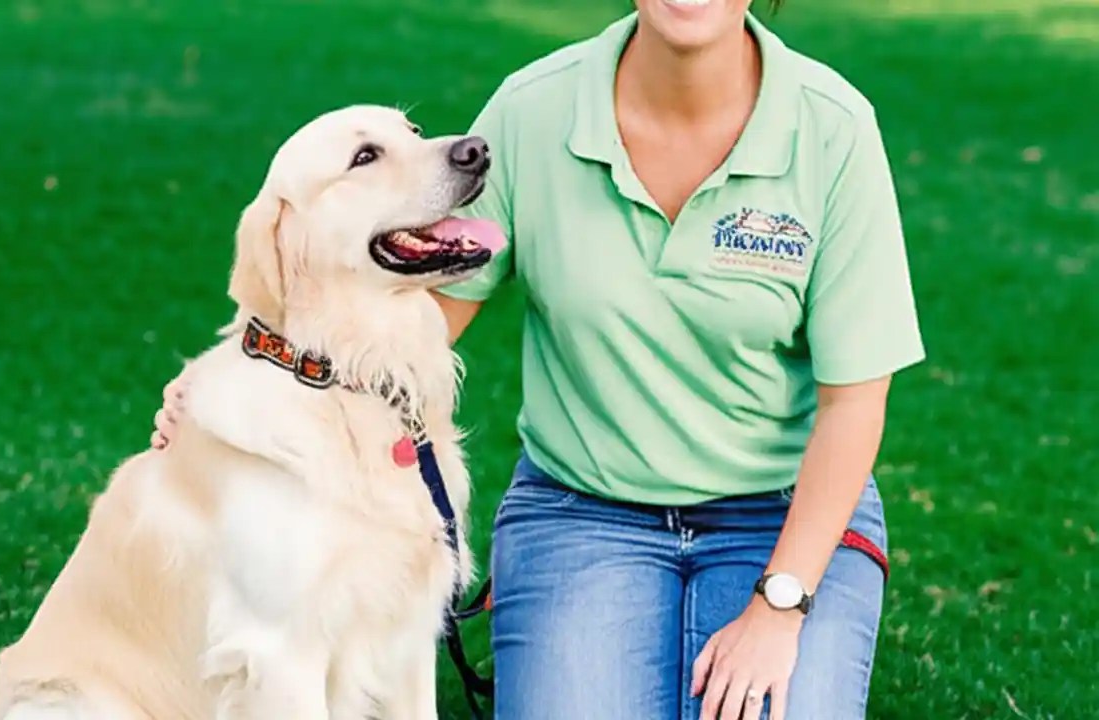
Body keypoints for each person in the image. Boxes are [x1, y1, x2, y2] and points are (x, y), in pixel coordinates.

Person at [153, 0, 925, 717]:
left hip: (780, 514)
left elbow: (854, 403)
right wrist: (247, 377)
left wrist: (778, 606)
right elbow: (409, 309)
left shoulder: (831, 128)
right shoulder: (537, 110)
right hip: (582, 515)